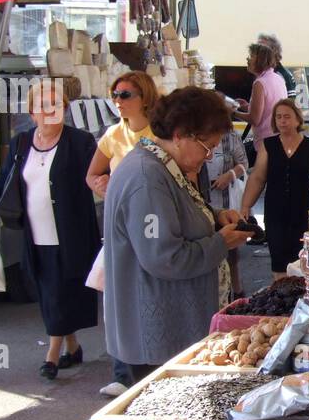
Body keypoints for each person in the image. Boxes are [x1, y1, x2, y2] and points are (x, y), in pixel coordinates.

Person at [103, 87, 252, 382]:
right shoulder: (147, 178)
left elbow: (180, 212)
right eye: (206, 146)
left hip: (168, 335)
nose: (209, 157)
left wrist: (214, 216)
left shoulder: (161, 166)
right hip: (157, 341)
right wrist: (221, 242)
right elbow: (165, 258)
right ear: (181, 134)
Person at [0, 78, 100, 381]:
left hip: (71, 234)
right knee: (48, 292)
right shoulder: (22, 143)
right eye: (43, 106)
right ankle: (72, 347)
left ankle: (51, 355)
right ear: (32, 112)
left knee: (61, 290)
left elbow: (99, 175)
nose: (50, 111)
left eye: (57, 105)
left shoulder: (80, 142)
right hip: (35, 235)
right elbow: (4, 181)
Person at [84, 70, 160, 397]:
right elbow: (92, 174)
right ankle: (123, 372)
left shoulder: (161, 133)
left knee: (151, 296)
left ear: (145, 96)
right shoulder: (112, 136)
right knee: (119, 298)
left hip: (155, 225)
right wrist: (104, 187)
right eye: (115, 95)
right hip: (120, 228)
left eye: (126, 94)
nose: (118, 101)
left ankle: (154, 368)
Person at [240, 98, 309, 277]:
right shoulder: (268, 145)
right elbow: (257, 177)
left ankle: (303, 301)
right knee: (279, 264)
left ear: (297, 119)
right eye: (278, 117)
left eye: (287, 116)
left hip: (304, 213)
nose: (282, 121)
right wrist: (246, 206)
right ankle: (281, 300)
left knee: (305, 262)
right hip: (275, 213)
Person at [203, 104, 250, 300]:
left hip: (224, 199)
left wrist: (228, 175)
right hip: (206, 197)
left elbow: (244, 164)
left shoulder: (231, 136)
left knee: (230, 250)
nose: (210, 154)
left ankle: (236, 289)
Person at [245, 41, 286, 154]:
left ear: (260, 60)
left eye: (251, 56)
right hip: (279, 141)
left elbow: (254, 119)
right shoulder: (278, 78)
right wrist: (247, 107)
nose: (247, 59)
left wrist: (232, 112)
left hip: (265, 145)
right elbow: (268, 107)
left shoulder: (260, 83)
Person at [257, 32, 296, 98]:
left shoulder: (282, 74)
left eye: (262, 49)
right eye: (257, 48)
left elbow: (290, 102)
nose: (257, 52)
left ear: (273, 51)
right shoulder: (263, 72)